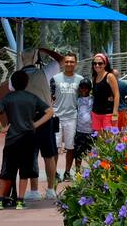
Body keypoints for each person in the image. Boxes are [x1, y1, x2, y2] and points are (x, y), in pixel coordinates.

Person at [0, 70, 53, 210]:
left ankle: (0, 201)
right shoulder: (32, 97)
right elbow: (50, 111)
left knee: (7, 171)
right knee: (24, 172)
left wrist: (1, 128)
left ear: (12, 83)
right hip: (28, 138)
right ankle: (20, 201)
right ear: (26, 83)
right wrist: (36, 124)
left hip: (12, 139)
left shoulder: (8, 98)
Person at [23, 60, 59, 201]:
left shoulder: (18, 75)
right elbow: (59, 60)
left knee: (33, 154)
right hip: (44, 118)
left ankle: (35, 190)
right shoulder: (44, 72)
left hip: (28, 118)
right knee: (47, 155)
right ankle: (49, 189)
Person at [51, 53, 84, 182]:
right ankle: (53, 173)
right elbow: (50, 96)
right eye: (67, 62)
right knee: (55, 147)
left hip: (72, 117)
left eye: (72, 62)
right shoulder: (55, 78)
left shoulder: (80, 79)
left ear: (75, 63)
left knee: (70, 147)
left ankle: (67, 172)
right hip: (57, 117)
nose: (69, 64)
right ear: (63, 63)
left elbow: (84, 98)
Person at [90, 54, 119, 132]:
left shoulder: (109, 76)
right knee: (99, 141)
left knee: (109, 141)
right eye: (94, 63)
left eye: (100, 63)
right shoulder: (94, 77)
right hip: (96, 114)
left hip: (108, 114)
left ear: (105, 64)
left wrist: (115, 114)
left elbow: (116, 95)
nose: (97, 65)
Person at [73, 79, 95, 167]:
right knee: (78, 154)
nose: (84, 89)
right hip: (80, 131)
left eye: (86, 88)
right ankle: (78, 173)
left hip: (91, 132)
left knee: (93, 155)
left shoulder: (93, 100)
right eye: (82, 87)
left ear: (90, 89)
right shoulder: (77, 100)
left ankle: (93, 172)